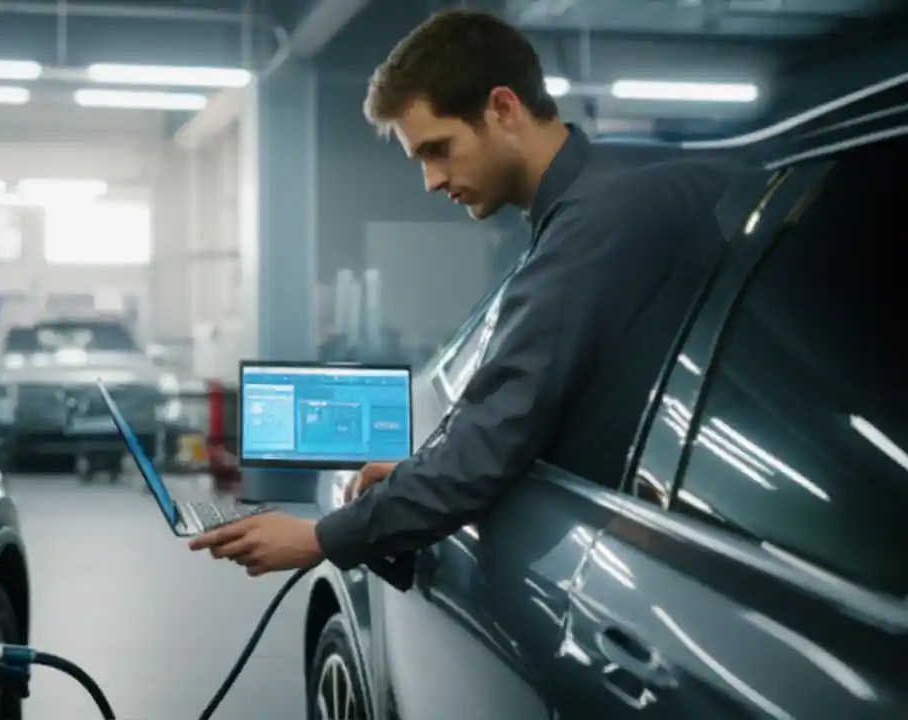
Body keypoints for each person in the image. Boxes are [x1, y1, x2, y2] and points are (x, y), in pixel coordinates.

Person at [189, 8, 741, 576]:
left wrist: (322, 537)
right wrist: (418, 471)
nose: (431, 181)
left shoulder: (594, 226)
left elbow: (494, 435)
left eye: (439, 149)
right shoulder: (620, 186)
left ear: (503, 109)